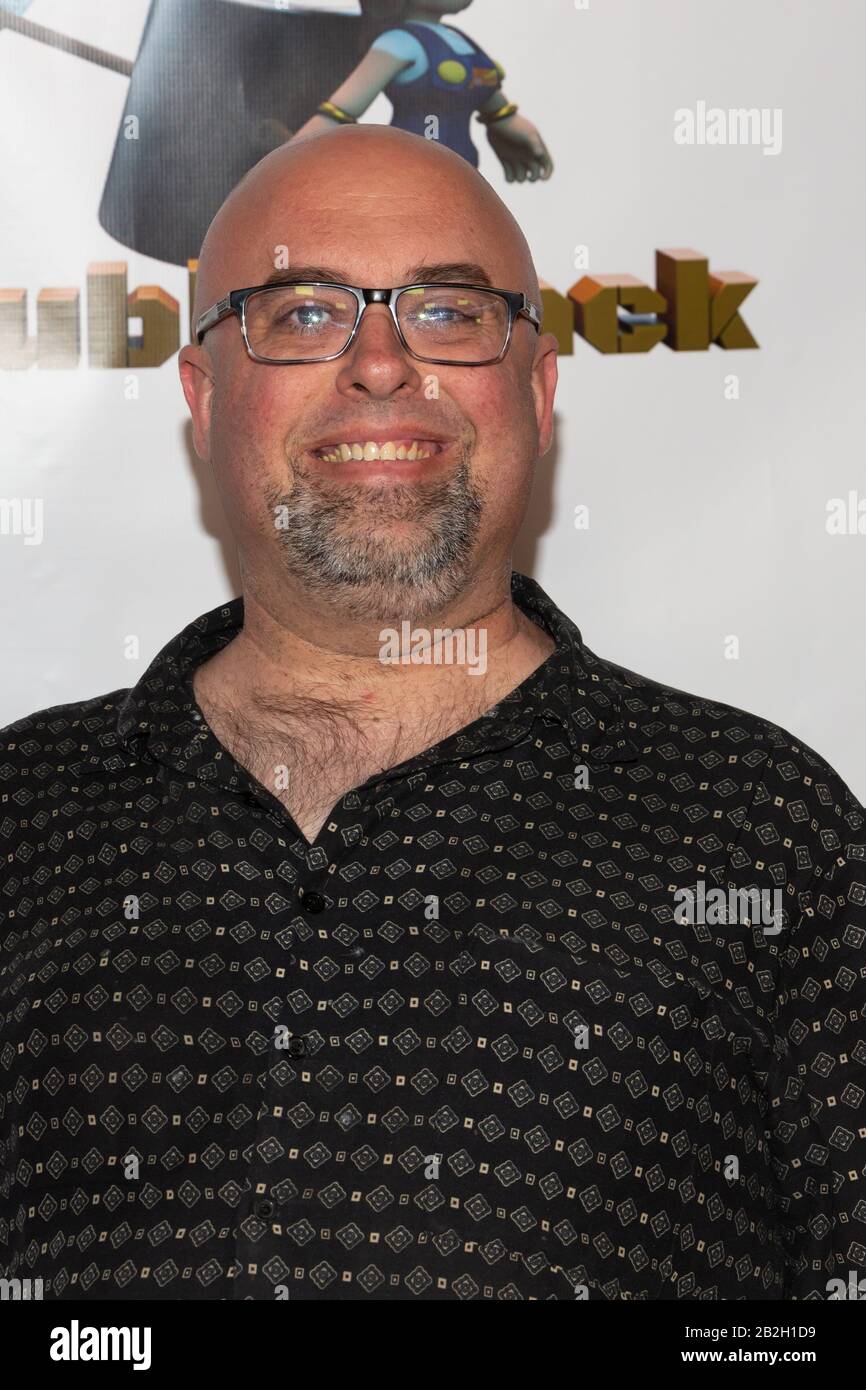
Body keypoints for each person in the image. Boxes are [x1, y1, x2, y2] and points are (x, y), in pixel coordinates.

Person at [1, 125, 863, 1302]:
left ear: (538, 387)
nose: (379, 365)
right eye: (302, 314)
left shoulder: (761, 823)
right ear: (204, 399)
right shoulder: (22, 813)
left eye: (447, 314)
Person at [292, 0, 553, 180]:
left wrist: (506, 122)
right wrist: (285, 162)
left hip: (465, 175)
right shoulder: (399, 43)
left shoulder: (461, 40)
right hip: (407, 177)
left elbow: (492, 102)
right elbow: (338, 112)